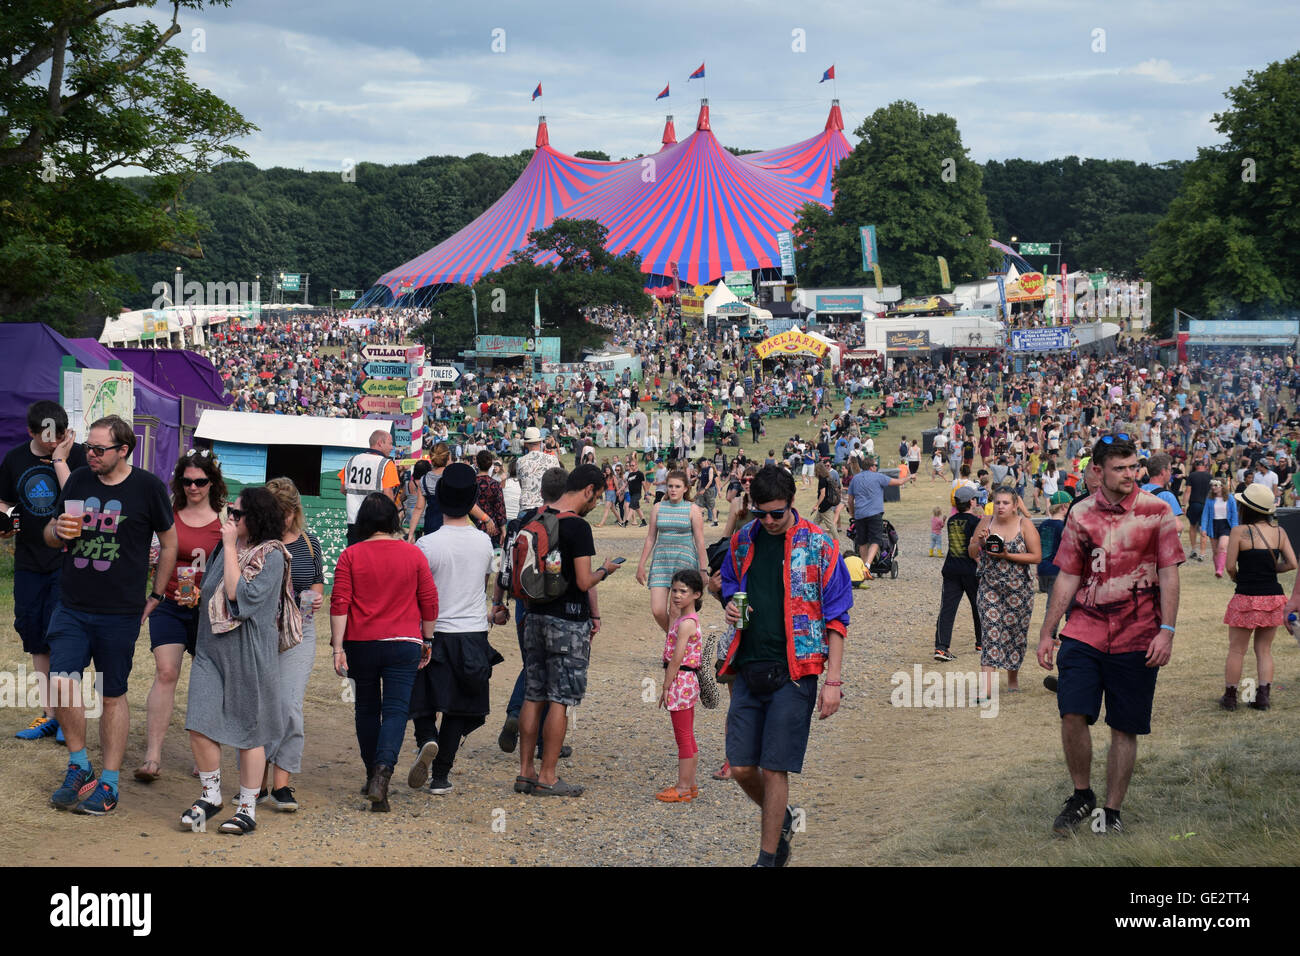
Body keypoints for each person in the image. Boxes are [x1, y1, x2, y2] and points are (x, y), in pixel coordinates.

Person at [1036, 434, 1184, 837]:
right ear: (1098, 472)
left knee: (1125, 726)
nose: (1130, 475)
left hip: (1139, 633)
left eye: (1133, 466)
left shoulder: (1157, 511)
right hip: (1085, 628)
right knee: (1072, 711)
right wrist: (1048, 631)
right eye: (1120, 468)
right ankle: (1081, 794)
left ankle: (1111, 811)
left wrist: (1167, 630)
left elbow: (1169, 573)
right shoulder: (1080, 514)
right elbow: (1067, 574)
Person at [43, 415, 176, 816]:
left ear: (124, 450)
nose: (91, 455)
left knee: (112, 694)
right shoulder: (80, 480)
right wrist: (57, 532)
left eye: (99, 449)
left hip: (119, 611)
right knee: (62, 683)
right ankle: (80, 765)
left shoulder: (148, 488)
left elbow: (169, 544)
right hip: (72, 604)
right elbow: (51, 531)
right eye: (88, 447)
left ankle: (110, 783)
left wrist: (156, 593)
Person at [719, 465, 851, 867]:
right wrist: (727, 599)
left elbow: (837, 617)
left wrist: (833, 681)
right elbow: (727, 580)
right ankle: (785, 818)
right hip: (748, 667)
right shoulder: (743, 541)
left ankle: (768, 856)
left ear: (793, 503)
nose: (770, 521)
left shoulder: (819, 545)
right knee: (742, 768)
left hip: (797, 672)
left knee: (775, 768)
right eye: (762, 514)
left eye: (777, 513)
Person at [181, 487, 292, 835]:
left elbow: (239, 599)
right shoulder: (224, 548)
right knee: (198, 722)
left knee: (250, 732)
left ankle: (246, 808)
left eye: (237, 514)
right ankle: (211, 797)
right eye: (229, 511)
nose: (230, 518)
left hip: (250, 655)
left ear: (255, 519)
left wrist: (229, 547)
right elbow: (215, 591)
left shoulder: (272, 556)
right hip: (211, 651)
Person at [516, 464, 622, 797]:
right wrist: (606, 569)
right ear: (588, 490)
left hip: (532, 616)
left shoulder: (533, 518)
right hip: (567, 620)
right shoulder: (577, 527)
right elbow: (582, 581)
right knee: (559, 698)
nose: (595, 504)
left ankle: (525, 772)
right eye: (597, 496)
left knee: (533, 694)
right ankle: (548, 775)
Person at [331, 493, 437, 812]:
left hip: (361, 643)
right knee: (395, 711)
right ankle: (383, 773)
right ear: (394, 520)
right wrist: (428, 640)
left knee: (365, 709)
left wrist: (337, 647)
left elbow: (340, 603)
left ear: (363, 521)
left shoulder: (350, 555)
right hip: (404, 642)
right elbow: (429, 600)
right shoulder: (413, 554)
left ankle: (371, 774)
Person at [410, 463, 503, 794]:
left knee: (422, 699)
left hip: (434, 632)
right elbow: (486, 582)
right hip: (473, 632)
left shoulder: (426, 545)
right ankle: (440, 776)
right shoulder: (483, 544)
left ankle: (426, 738)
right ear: (472, 501)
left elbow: (418, 593)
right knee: (461, 707)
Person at [136, 448, 227, 783]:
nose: (193, 487)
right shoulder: (168, 514)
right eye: (187, 481)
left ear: (212, 481)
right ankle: (152, 757)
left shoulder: (226, 517)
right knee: (166, 672)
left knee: (208, 680)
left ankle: (204, 753)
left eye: (200, 481)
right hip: (171, 603)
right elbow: (156, 551)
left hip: (211, 609)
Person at [0, 400, 87, 740]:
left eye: (61, 435)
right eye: (48, 436)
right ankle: (49, 714)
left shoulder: (78, 456)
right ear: (31, 432)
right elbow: (4, 498)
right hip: (29, 561)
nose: (54, 441)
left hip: (69, 561)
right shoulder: (15, 459)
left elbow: (80, 495)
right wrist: (4, 517)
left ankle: (69, 715)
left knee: (66, 636)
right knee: (34, 634)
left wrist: (60, 458)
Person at [493, 466, 570, 756]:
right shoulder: (563, 522)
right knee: (548, 670)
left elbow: (505, 565)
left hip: (523, 602)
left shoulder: (520, 522)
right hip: (552, 604)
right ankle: (533, 731)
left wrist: (497, 603)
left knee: (533, 665)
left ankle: (528, 728)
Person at [260, 477, 324, 810]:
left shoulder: (310, 543)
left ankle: (281, 784)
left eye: (287, 512)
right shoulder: (255, 542)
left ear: (296, 511)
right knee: (260, 707)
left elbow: (317, 585)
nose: (282, 518)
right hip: (260, 633)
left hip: (300, 633)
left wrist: (315, 599)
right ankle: (256, 781)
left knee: (289, 706)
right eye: (275, 511)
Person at [1219, 484, 1295, 711]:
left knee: (1236, 649)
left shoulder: (1239, 532)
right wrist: (1272, 570)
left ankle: (1231, 697)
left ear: (1247, 508)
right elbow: (1292, 564)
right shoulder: (1280, 532)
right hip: (1273, 597)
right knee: (1264, 650)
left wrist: (1237, 578)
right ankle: (1263, 696)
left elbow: (1230, 566)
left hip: (1246, 596)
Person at [969, 487, 1042, 695]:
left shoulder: (1024, 524)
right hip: (989, 587)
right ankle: (986, 689)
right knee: (991, 632)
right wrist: (981, 543)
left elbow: (1036, 557)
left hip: (1019, 590)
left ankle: (1012, 679)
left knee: (1015, 634)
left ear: (1015, 505)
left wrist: (1007, 555)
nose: (1000, 507)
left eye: (1005, 503)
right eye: (998, 502)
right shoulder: (985, 522)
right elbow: (971, 551)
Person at [636, 469, 708, 633]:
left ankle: (673, 652)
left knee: (676, 611)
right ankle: (677, 640)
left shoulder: (692, 509)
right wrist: (641, 565)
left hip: (685, 563)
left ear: (685, 488)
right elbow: (650, 538)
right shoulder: (658, 507)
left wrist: (703, 570)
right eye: (670, 486)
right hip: (661, 562)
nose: (673, 490)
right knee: (658, 610)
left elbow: (700, 541)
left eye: (677, 486)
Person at [656, 569, 705, 803]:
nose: (676, 595)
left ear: (696, 594)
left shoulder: (686, 624)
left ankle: (684, 786)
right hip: (686, 681)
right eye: (674, 590)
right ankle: (690, 783)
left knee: (683, 736)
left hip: (681, 681)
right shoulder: (686, 621)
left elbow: (677, 658)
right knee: (687, 735)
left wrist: (666, 686)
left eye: (683, 591)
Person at [933, 487, 982, 662]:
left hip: (951, 568)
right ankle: (981, 642)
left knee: (947, 609)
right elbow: (975, 547)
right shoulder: (976, 522)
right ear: (971, 502)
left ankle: (941, 647)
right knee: (979, 606)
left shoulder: (951, 520)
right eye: (974, 499)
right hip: (970, 569)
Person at [847, 455, 907, 576]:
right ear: (871, 467)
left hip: (860, 514)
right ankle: (868, 565)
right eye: (875, 465)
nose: (876, 467)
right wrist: (910, 476)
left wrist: (852, 513)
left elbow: (850, 500)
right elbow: (899, 482)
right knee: (876, 540)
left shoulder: (855, 479)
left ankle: (863, 568)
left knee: (862, 541)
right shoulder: (878, 477)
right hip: (874, 513)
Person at [340, 430, 400, 546]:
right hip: (377, 524)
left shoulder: (352, 461)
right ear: (380, 443)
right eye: (390, 443)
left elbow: (343, 490)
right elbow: (388, 496)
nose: (392, 447)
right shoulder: (386, 464)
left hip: (354, 521)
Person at [1200, 478, 1238, 578]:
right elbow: (1205, 515)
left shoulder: (1230, 498)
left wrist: (1235, 529)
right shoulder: (1209, 499)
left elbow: (1234, 515)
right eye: (1212, 485)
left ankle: (1220, 570)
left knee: (1222, 547)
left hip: (1226, 525)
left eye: (1215, 485)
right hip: (1213, 526)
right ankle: (1218, 570)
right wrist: (1203, 528)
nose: (1213, 487)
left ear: (1222, 486)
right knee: (1215, 551)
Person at [516, 426, 559, 511]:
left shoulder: (520, 461)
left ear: (526, 444)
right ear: (540, 442)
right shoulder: (552, 459)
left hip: (526, 506)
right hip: (546, 505)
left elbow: (522, 484)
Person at [1184, 457, 1211, 561]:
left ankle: (1193, 549)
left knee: (1192, 527)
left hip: (1194, 504)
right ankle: (1202, 553)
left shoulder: (1192, 476)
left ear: (1195, 466)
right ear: (1204, 466)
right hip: (1206, 504)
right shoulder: (1210, 476)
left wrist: (1183, 505)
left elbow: (1188, 491)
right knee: (1203, 528)